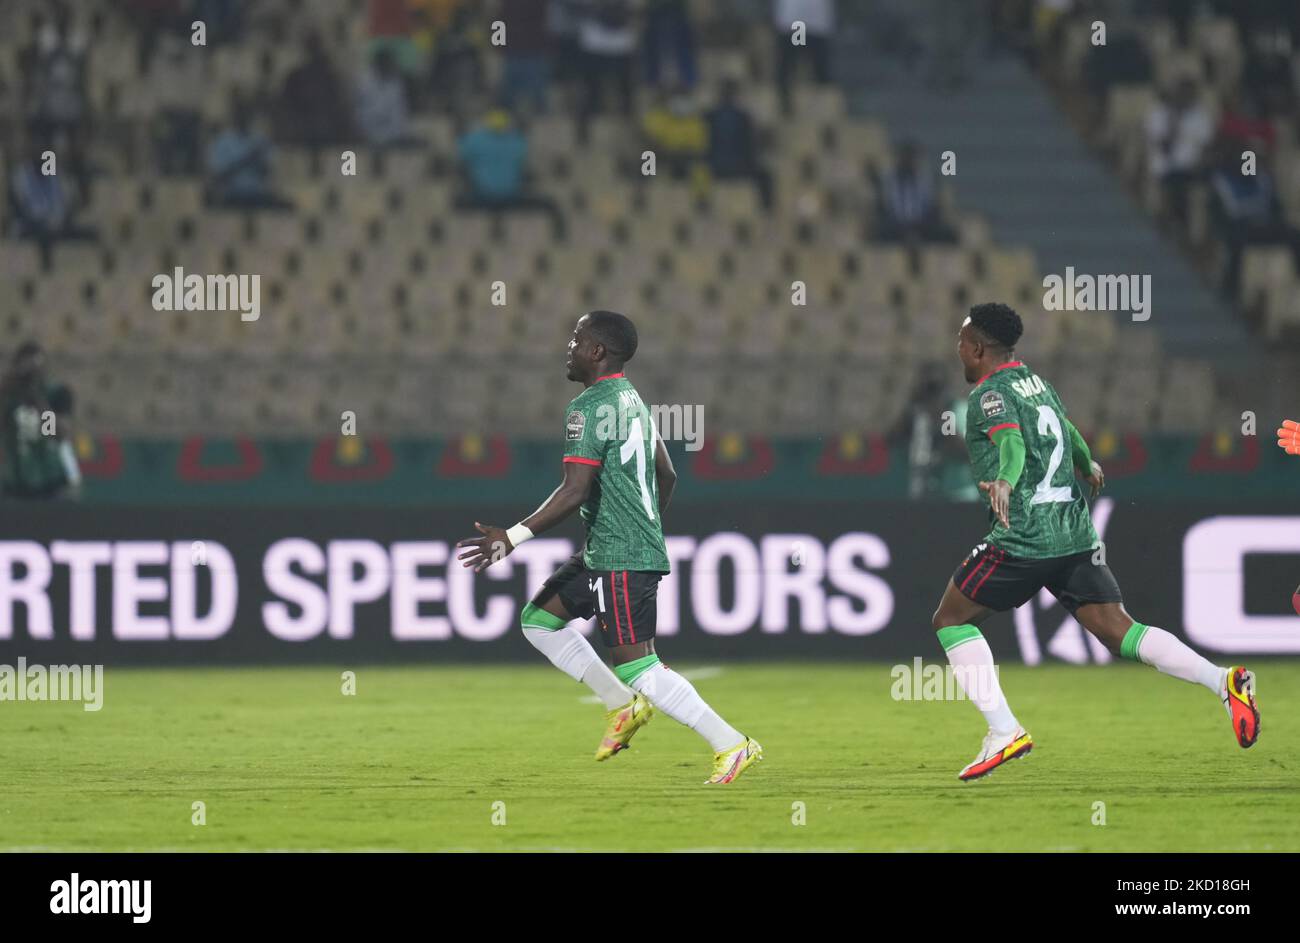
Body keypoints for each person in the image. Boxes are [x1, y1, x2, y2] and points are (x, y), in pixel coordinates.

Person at [930, 303, 1259, 780]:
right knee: (1119, 630)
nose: (957, 349)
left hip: (1025, 536)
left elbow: (1013, 445)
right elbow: (1066, 430)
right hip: (1074, 533)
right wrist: (1086, 463)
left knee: (950, 619)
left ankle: (1004, 731)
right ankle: (1223, 682)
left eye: (961, 341)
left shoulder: (989, 396)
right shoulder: (1038, 383)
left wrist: (1004, 480)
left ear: (977, 348)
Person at [455, 311, 763, 784]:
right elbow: (667, 474)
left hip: (619, 555)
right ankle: (621, 705)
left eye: (576, 339)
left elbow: (574, 490)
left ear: (597, 352)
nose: (569, 347)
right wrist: (642, 524)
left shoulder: (589, 406)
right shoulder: (632, 401)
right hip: (611, 547)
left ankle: (731, 744)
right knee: (539, 621)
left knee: (641, 666)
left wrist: (511, 538)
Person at [456, 108, 566, 237]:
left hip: (482, 198)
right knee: (551, 204)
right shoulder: (518, 141)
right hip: (511, 198)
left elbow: (461, 166)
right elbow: (526, 171)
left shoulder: (472, 140)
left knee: (456, 202)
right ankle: (559, 237)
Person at [1, 342, 82, 501]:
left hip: (52, 479)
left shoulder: (57, 393)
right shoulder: (8, 395)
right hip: (16, 480)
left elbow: (56, 434)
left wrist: (39, 403)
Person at [1145, 78, 1214, 226]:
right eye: (1182, 94)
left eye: (1190, 95)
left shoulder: (1200, 115)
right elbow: (1164, 147)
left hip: (1194, 167)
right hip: (1167, 166)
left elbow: (1207, 147)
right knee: (1176, 185)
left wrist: (1201, 164)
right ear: (1175, 94)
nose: (1186, 98)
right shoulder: (1159, 114)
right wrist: (1174, 119)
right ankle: (1173, 221)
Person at [205, 93, 292, 209]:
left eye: (247, 112)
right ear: (234, 115)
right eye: (240, 112)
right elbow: (219, 177)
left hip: (258, 195)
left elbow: (267, 173)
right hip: (233, 195)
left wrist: (258, 160)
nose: (243, 116)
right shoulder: (222, 141)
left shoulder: (261, 139)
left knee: (287, 207)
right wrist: (248, 159)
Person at [704, 78, 774, 210]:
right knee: (765, 175)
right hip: (738, 166)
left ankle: (703, 207)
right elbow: (751, 146)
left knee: (698, 172)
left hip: (715, 168)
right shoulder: (743, 117)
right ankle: (767, 210)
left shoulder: (709, 116)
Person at [872, 140, 955, 244]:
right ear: (899, 159)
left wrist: (920, 224)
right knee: (878, 234)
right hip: (896, 227)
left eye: (911, 158)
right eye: (905, 158)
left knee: (949, 235)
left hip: (922, 226)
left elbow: (933, 207)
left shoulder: (927, 179)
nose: (908, 161)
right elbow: (884, 208)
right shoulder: (888, 180)